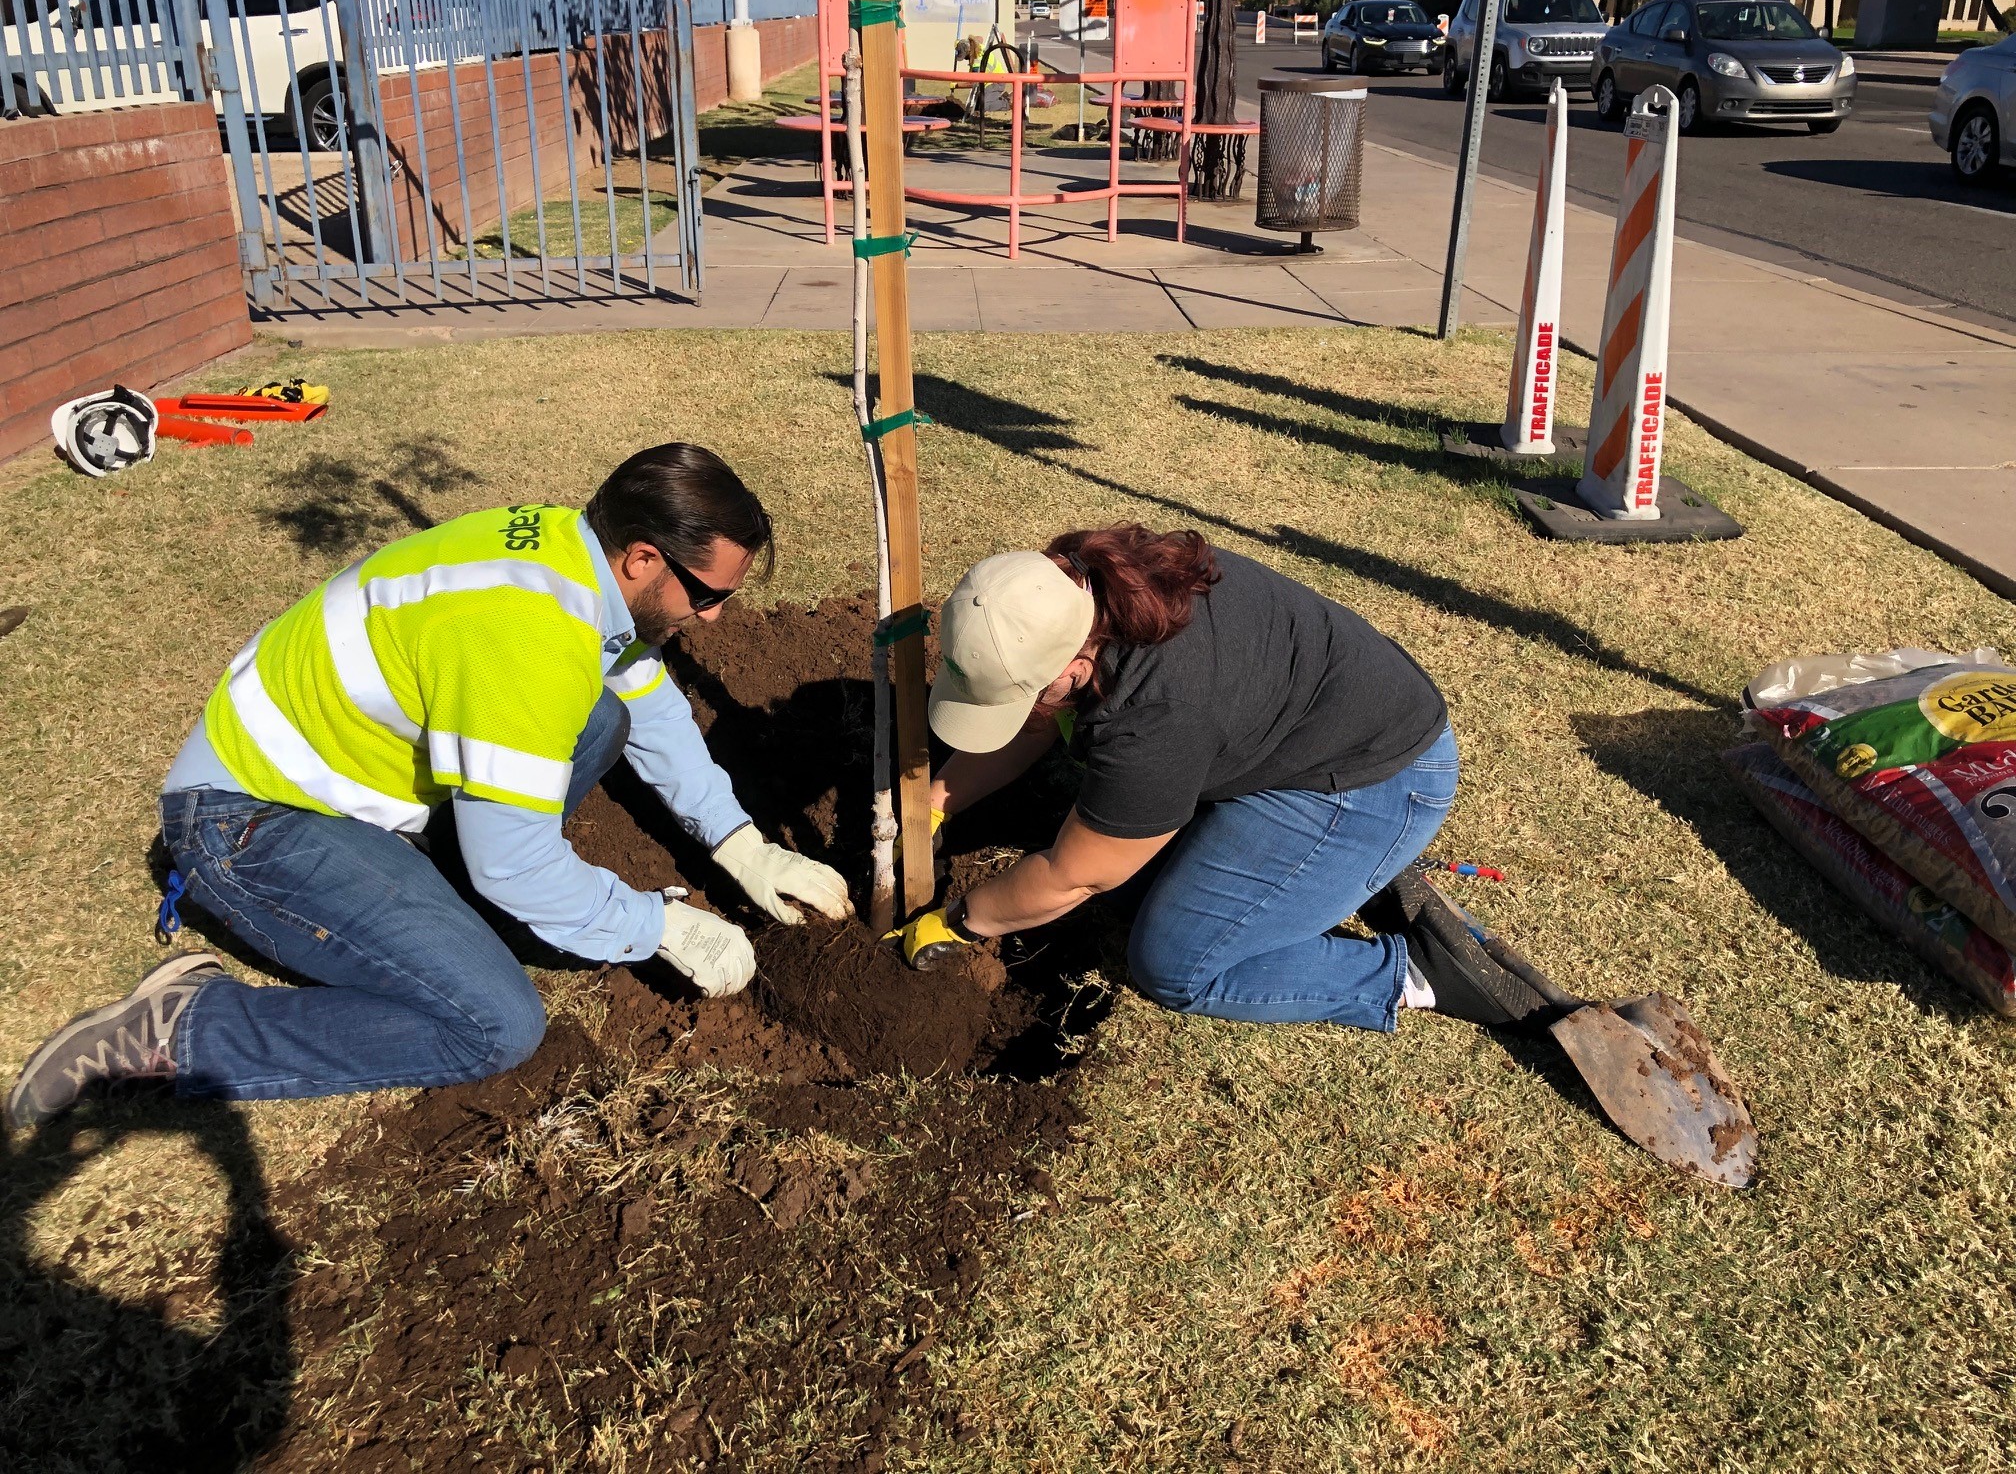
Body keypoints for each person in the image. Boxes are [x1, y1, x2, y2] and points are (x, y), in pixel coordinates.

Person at [7, 445, 850, 1129]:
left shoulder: (569, 551)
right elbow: (516, 868)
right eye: (707, 597)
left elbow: (648, 703)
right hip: (254, 819)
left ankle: (436, 889)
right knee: (496, 1026)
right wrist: (655, 926)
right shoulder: (526, 643)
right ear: (641, 556)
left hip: (344, 779)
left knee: (601, 719)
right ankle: (183, 1028)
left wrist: (742, 846)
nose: (715, 620)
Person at [889, 524, 1549, 1028]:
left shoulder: (1157, 710)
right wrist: (937, 800)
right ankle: (1335, 877)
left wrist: (962, 923)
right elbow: (1036, 721)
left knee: (1177, 964)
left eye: (1027, 691)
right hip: (1305, 734)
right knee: (1139, 881)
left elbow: (1077, 874)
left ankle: (1415, 974)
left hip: (1374, 782)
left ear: (1074, 667)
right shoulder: (1079, 589)